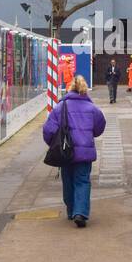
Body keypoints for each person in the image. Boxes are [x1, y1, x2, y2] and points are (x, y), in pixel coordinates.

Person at [42, 74, 105, 227]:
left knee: (68, 181)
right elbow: (99, 127)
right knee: (82, 181)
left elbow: (48, 130)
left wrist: (53, 144)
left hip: (65, 151)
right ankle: (80, 213)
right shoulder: (92, 108)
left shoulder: (60, 107)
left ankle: (71, 210)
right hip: (85, 153)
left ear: (70, 88)